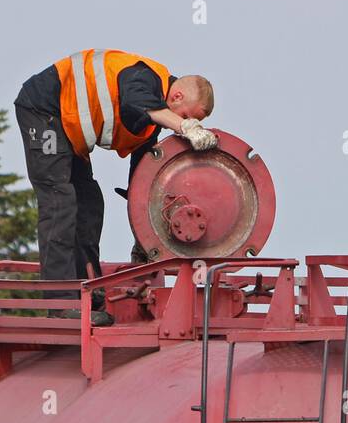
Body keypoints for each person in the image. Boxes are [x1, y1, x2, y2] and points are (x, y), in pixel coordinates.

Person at [15, 50, 217, 323]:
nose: (177, 127)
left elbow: (142, 183)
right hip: (45, 112)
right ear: (176, 97)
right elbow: (137, 101)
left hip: (69, 130)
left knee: (89, 203)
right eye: (185, 116)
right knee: (58, 200)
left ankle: (87, 289)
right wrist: (185, 127)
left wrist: (144, 241)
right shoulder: (144, 77)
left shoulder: (150, 125)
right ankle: (60, 304)